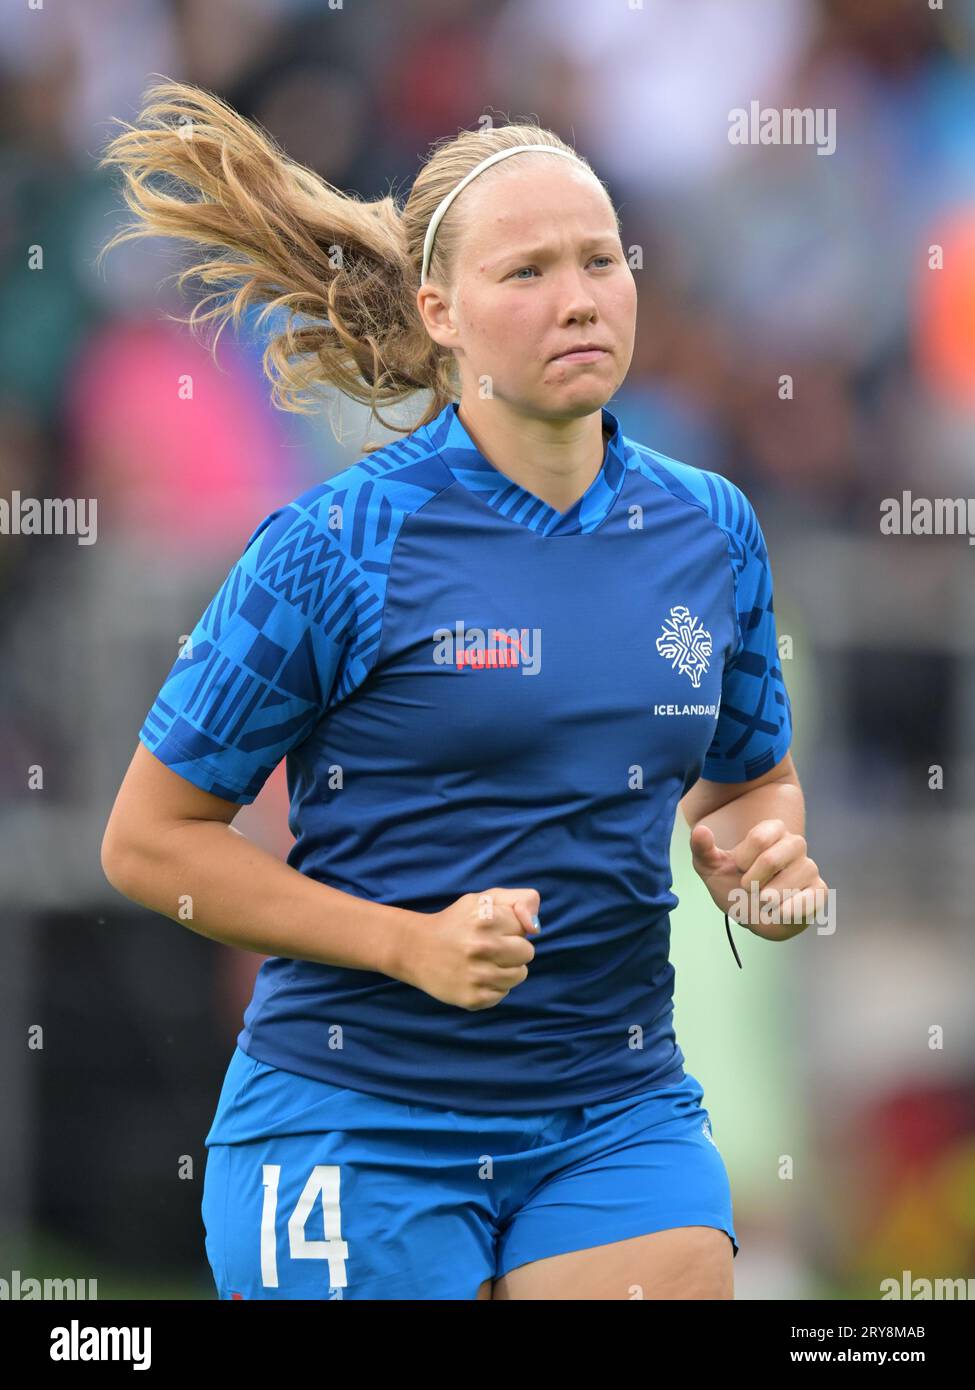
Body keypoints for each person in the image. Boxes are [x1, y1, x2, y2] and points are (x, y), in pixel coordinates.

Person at [98, 81, 826, 1301]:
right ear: (439, 311)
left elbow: (750, 783)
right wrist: (408, 944)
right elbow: (145, 841)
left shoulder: (712, 529)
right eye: (528, 270)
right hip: (354, 1114)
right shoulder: (335, 543)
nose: (581, 296)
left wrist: (767, 856)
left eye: (601, 259)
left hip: (615, 1111)